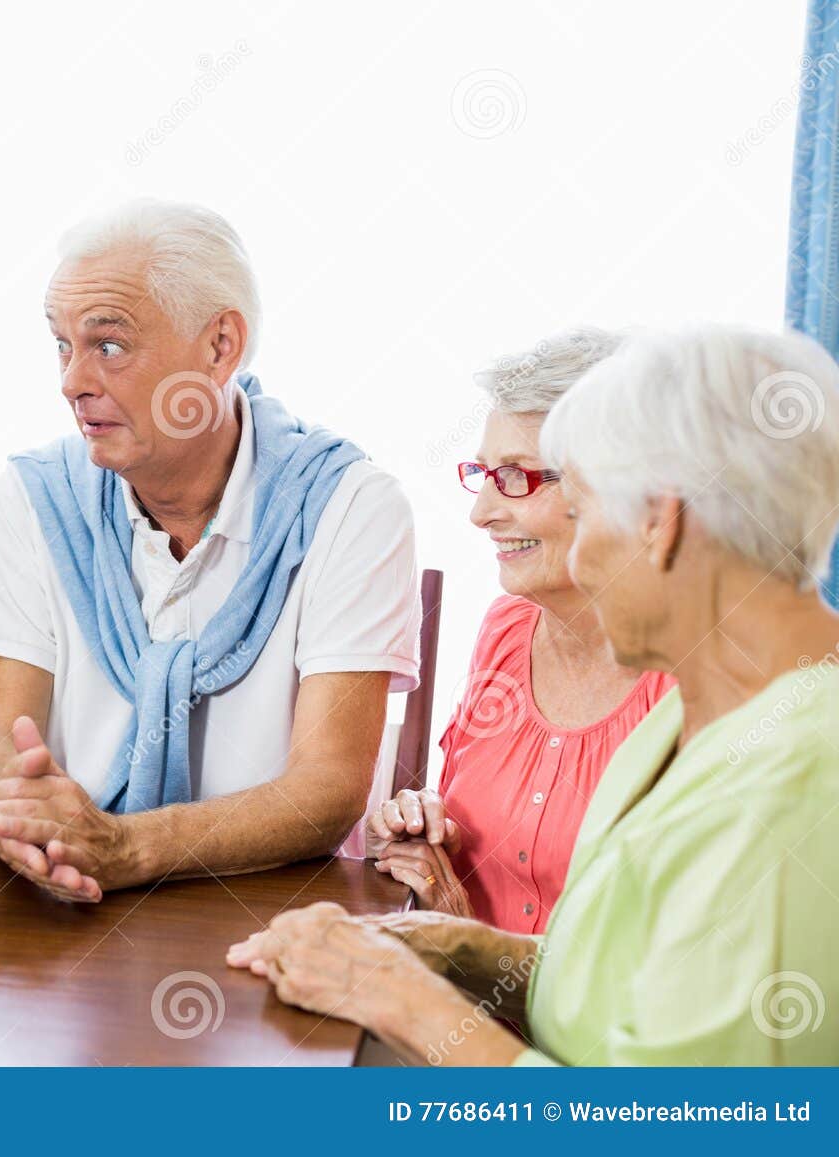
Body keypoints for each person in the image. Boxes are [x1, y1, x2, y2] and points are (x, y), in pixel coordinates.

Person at [231, 324, 839, 1065]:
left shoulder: (793, 787)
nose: (578, 560)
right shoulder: (710, 709)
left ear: (661, 520)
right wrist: (456, 942)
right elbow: (630, 982)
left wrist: (398, 994)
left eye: (581, 513)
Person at [0, 200, 420, 902]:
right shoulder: (32, 494)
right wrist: (17, 818)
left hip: (268, 917)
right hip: (60, 908)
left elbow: (326, 790)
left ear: (221, 345)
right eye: (61, 344)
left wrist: (125, 847)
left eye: (108, 345)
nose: (72, 381)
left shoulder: (351, 505)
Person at [365, 329, 673, 932]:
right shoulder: (507, 628)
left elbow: (682, 981)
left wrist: (468, 947)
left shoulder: (713, 685)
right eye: (483, 472)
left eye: (518, 476)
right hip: (456, 1008)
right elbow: (470, 829)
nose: (481, 511)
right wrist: (422, 830)